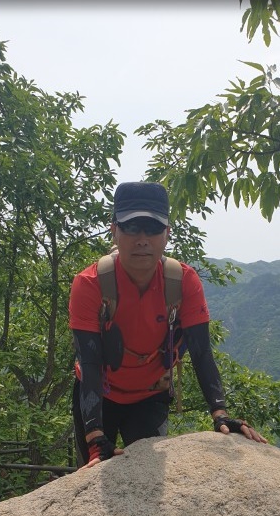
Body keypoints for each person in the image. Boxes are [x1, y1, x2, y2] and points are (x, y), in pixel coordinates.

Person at [69, 181, 266, 467]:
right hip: (97, 396)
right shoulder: (90, 284)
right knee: (93, 475)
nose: (142, 239)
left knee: (148, 473)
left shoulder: (182, 281)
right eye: (131, 227)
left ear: (166, 234)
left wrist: (220, 413)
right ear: (114, 231)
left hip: (150, 396)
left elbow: (201, 352)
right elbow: (89, 361)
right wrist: (94, 435)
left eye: (153, 228)